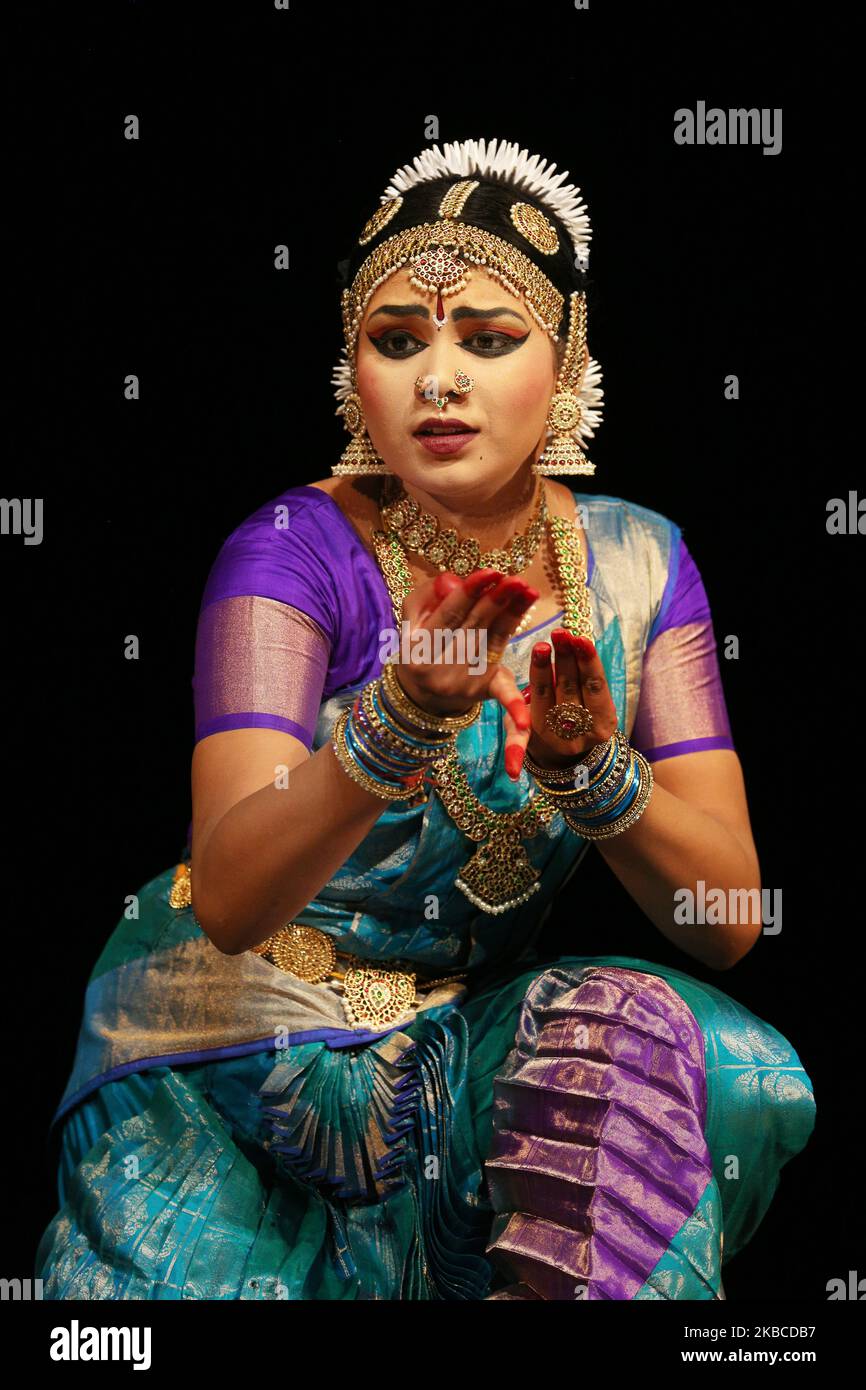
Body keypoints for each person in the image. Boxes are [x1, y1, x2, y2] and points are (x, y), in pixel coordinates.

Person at [36, 137, 815, 1301]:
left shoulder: (641, 565)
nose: (436, 380)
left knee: (684, 1051)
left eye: (486, 340)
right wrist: (394, 719)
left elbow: (728, 915)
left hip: (440, 1057)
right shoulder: (294, 552)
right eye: (396, 340)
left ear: (566, 360)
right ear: (354, 369)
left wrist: (596, 771)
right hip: (226, 1057)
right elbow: (237, 894)